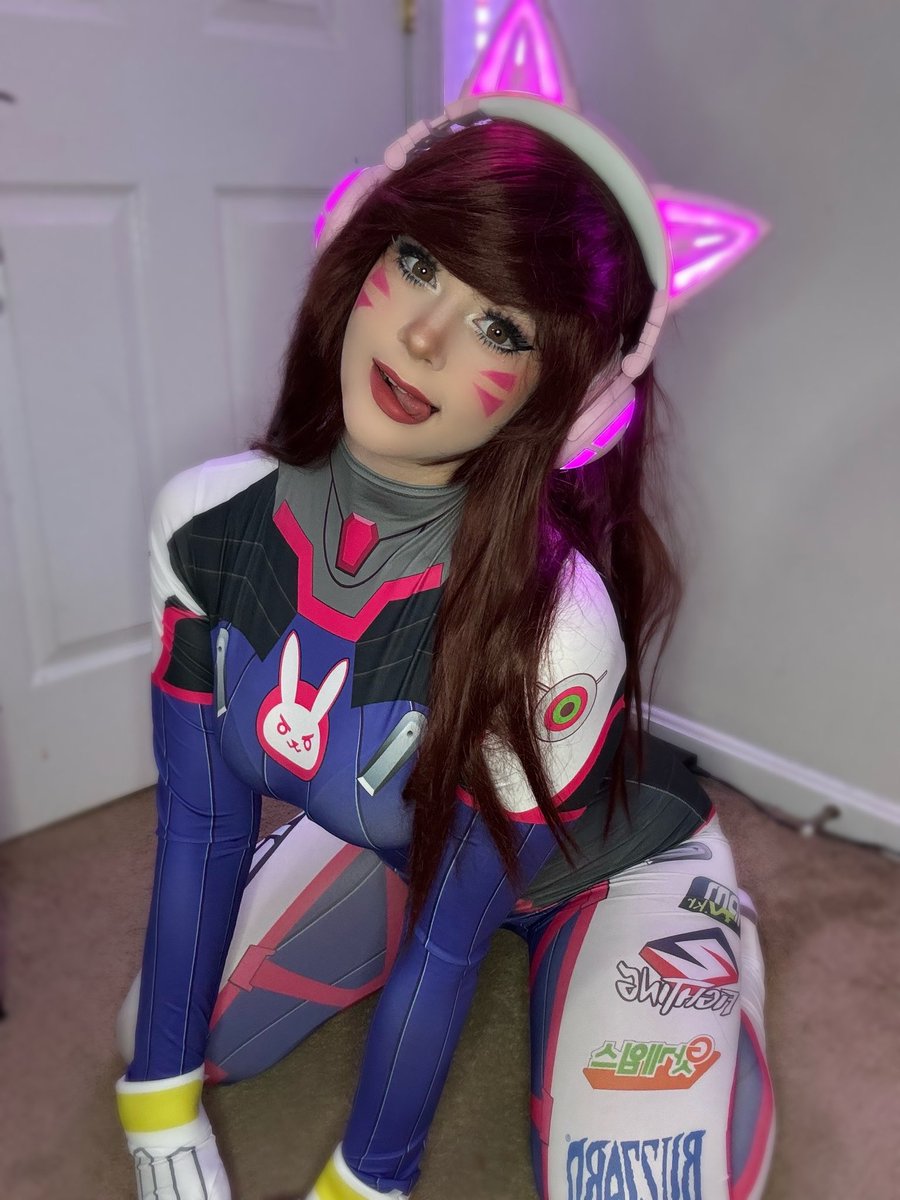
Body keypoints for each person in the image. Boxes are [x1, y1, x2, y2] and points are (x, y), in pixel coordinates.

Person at [115, 94, 775, 1200]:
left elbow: (447, 942)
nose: (423, 337)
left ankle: (710, 919)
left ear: (568, 403)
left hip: (609, 857)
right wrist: (158, 1108)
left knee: (637, 1186)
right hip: (404, 844)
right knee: (160, 1019)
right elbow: (201, 831)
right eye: (420, 264)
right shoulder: (204, 524)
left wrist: (361, 1185)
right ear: (358, 246)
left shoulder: (558, 631)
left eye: (502, 329)